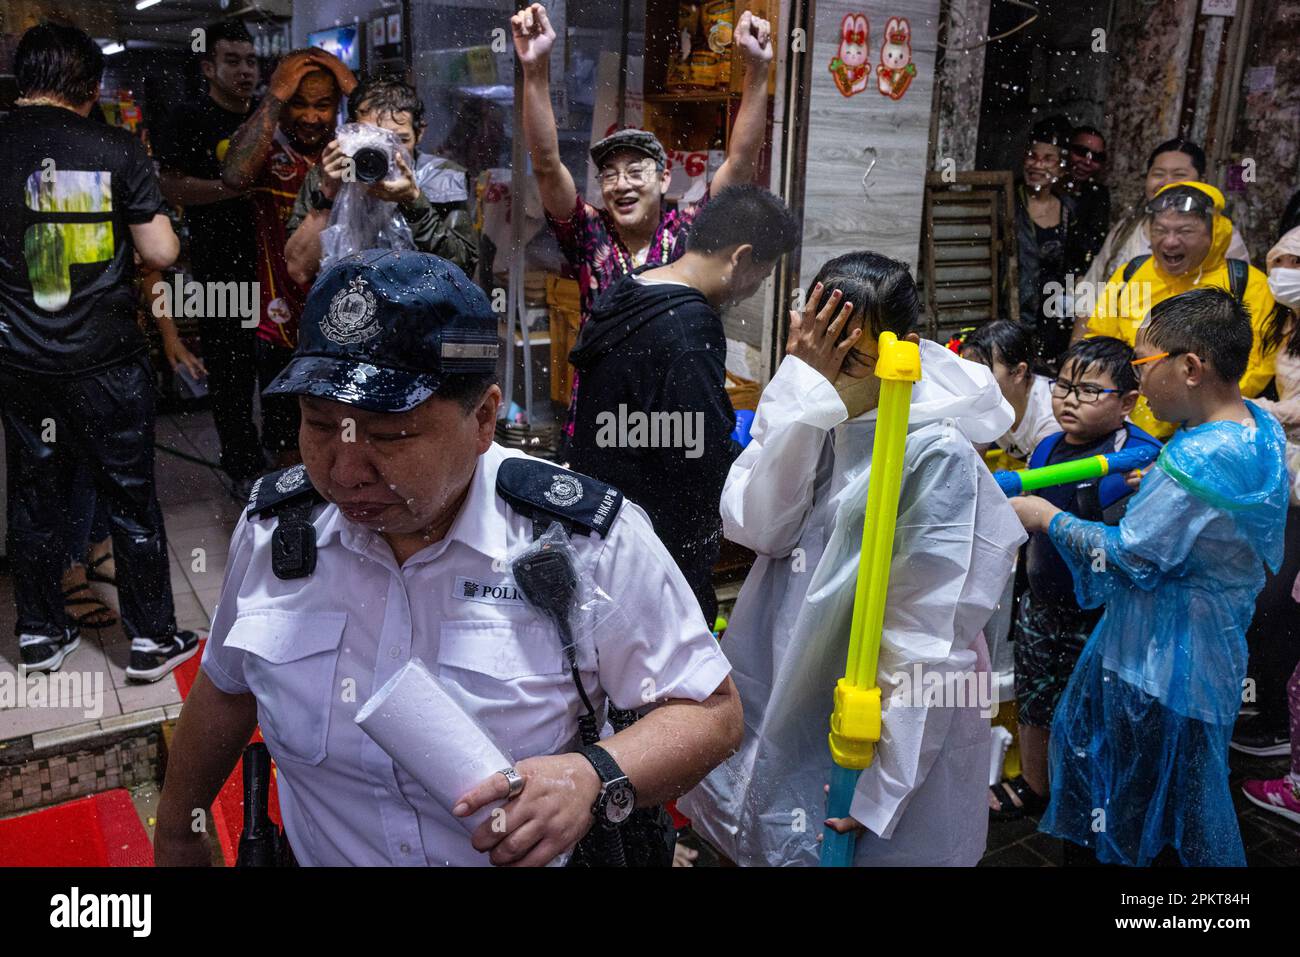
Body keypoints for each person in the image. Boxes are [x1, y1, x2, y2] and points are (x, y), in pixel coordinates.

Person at [153, 249, 743, 867]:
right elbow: (226, 684)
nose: (346, 470)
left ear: (484, 418)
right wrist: (177, 827)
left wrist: (593, 774)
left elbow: (712, 712)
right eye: (320, 424)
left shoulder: (578, 540)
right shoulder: (278, 530)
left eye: (389, 436)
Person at [678, 252, 1027, 866]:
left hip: (882, 717)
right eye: (822, 349)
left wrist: (876, 787)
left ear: (905, 349)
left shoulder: (932, 450)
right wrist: (800, 388)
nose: (835, 375)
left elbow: (927, 638)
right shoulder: (815, 404)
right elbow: (760, 526)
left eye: (855, 358)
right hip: (786, 661)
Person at [1010, 288, 1290, 866]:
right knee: (1175, 798)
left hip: (1158, 663)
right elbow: (1210, 518)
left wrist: (1047, 517)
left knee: (1134, 811)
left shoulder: (1198, 458)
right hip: (1210, 653)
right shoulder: (1256, 426)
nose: (1141, 380)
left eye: (1143, 363)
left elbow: (1129, 557)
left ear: (1190, 367)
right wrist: (1165, 490)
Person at [0, 23, 198, 681]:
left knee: (34, 493)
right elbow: (161, 253)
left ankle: (38, 634)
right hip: (106, 361)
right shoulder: (115, 149)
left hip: (22, 360)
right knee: (130, 495)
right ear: (88, 85)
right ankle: (149, 641)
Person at [511, 2, 774, 440]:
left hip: (678, 417)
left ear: (665, 178)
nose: (621, 184)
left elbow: (741, 162)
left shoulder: (693, 231)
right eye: (610, 174)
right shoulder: (588, 231)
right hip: (601, 415)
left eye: (636, 172)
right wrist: (534, 69)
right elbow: (546, 164)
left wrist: (758, 71)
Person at [566, 185, 800, 625]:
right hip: (656, 552)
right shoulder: (690, 328)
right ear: (741, 257)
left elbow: (656, 422)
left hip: (600, 524)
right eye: (763, 275)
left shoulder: (636, 286)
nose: (755, 288)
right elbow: (702, 459)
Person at [987, 337, 1160, 821]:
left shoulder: (1143, 458)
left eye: (1088, 391)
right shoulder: (1047, 445)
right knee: (1035, 696)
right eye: (1063, 385)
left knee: (1099, 706)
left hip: (1106, 610)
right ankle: (1036, 784)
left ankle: (1094, 794)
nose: (1069, 399)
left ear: (1128, 402)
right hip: (1043, 598)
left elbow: (1136, 542)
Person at [222, 48, 355, 465]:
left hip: (348, 323)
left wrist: (351, 85)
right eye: (298, 103)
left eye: (323, 104)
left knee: (350, 437)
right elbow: (233, 174)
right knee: (289, 444)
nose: (310, 117)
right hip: (280, 323)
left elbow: (385, 124)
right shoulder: (268, 150)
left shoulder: (353, 147)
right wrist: (274, 95)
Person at [156, 20, 265, 497]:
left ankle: (284, 459)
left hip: (275, 268)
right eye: (232, 61)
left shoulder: (268, 115)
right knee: (231, 374)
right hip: (220, 267)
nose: (244, 71)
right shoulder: (190, 117)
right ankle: (243, 466)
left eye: (250, 60)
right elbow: (171, 186)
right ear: (209, 66)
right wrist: (228, 188)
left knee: (279, 368)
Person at [1077, 180, 1276, 439]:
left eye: (1185, 231)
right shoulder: (1130, 275)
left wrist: (1186, 406)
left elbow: (1257, 366)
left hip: (1208, 430)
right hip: (1128, 426)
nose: (1170, 242)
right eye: (1160, 230)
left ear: (1214, 232)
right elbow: (1101, 343)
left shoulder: (1250, 285)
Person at [284, 75, 477, 286]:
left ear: (420, 132)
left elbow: (463, 271)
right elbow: (298, 269)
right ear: (350, 133)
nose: (386, 153)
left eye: (399, 140)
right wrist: (329, 195)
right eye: (373, 139)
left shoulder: (441, 177)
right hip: (348, 309)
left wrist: (414, 201)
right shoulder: (330, 175)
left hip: (420, 313)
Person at [1235, 226, 1300, 761]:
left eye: (1294, 264)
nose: (1282, 274)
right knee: (1264, 596)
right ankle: (1267, 702)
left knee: (1278, 600)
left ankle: (1280, 722)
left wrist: (1249, 411)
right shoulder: (1285, 322)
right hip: (1288, 478)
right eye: (1276, 261)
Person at [1071, 138, 1250, 333]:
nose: (1167, 183)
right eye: (1158, 174)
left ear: (1201, 181)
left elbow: (1239, 313)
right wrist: (1076, 357)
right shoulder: (1127, 230)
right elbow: (1092, 298)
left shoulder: (1223, 238)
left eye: (1179, 175)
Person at [1014, 117, 1089, 368]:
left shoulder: (1071, 212)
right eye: (1032, 156)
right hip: (1014, 307)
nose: (1037, 165)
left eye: (1048, 159)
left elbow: (1076, 268)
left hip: (1051, 316)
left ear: (1061, 168)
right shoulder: (1009, 202)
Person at [958, 320, 1058, 464]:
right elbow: (970, 464)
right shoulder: (983, 402)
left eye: (983, 371)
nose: (971, 382)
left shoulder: (1050, 414)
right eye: (969, 371)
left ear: (1018, 372)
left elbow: (1040, 481)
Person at [1064, 125, 1111, 268]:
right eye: (1081, 152)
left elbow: (1093, 245)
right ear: (1065, 151)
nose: (1087, 161)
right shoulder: (1042, 191)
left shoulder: (1098, 195)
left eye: (1097, 157)